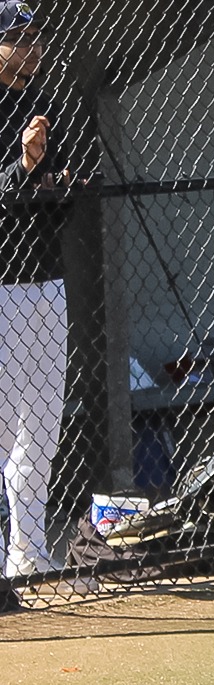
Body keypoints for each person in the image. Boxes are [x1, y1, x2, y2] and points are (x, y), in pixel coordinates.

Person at [0, 0, 69, 579]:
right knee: (1, 424)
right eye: (18, 37)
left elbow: (58, 195)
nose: (32, 47)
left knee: (42, 424)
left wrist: (56, 181)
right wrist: (24, 167)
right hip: (2, 284)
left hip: (47, 280)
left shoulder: (43, 106)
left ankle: (27, 549)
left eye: (35, 36)